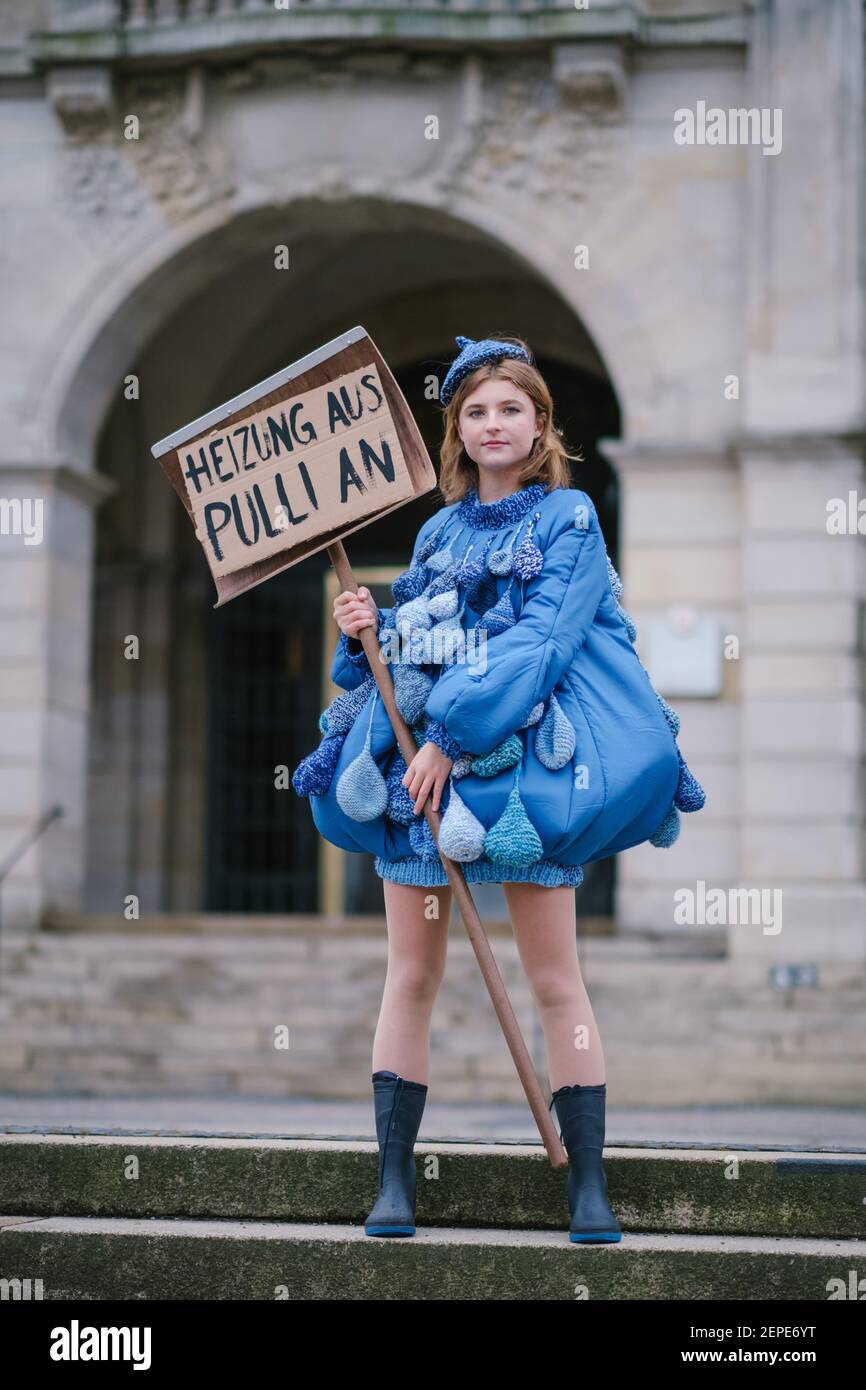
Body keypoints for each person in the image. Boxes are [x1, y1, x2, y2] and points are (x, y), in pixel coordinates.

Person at [293, 334, 706, 1243]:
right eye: (475, 410)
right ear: (458, 429)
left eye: (510, 408)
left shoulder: (569, 518)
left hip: (530, 777)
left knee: (556, 980)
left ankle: (588, 1185)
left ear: (539, 423)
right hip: (424, 784)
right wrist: (369, 622)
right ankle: (394, 1184)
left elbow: (542, 643)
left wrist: (448, 734)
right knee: (411, 976)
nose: (492, 424)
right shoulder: (438, 530)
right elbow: (419, 643)